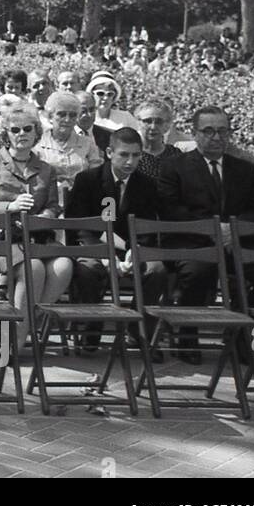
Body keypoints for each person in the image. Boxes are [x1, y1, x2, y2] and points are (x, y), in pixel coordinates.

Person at [157, 105, 254, 362]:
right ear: (194, 134)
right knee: (198, 272)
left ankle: (247, 336)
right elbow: (171, 210)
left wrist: (233, 231)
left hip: (237, 244)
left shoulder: (245, 169)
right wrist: (214, 230)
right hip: (192, 245)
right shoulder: (175, 167)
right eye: (208, 131)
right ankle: (186, 338)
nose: (216, 137)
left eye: (222, 131)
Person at [0, 103, 69, 347]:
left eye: (28, 128)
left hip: (38, 236)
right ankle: (17, 342)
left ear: (36, 132)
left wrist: (45, 214)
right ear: (6, 134)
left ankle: (26, 322)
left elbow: (55, 206)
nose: (22, 133)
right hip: (0, 238)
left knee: (64, 265)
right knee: (33, 268)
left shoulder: (46, 169)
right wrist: (10, 206)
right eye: (15, 130)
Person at [64, 127, 163, 352]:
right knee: (89, 269)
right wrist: (105, 256)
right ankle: (91, 331)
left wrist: (135, 250)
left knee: (156, 269)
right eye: (124, 155)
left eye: (136, 155)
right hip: (93, 248)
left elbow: (147, 226)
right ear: (109, 152)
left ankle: (139, 331)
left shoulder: (146, 185)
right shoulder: (88, 180)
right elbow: (79, 226)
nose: (130, 162)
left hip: (130, 248)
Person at [34, 90, 103, 198]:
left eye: (72, 115)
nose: (67, 119)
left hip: (81, 199)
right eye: (61, 114)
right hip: (47, 201)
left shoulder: (87, 144)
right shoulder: (37, 144)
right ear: (51, 116)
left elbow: (97, 176)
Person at [132, 98, 185, 181]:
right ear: (138, 122)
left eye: (159, 121)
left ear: (167, 125)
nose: (153, 127)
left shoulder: (175, 155)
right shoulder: (130, 154)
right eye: (147, 121)